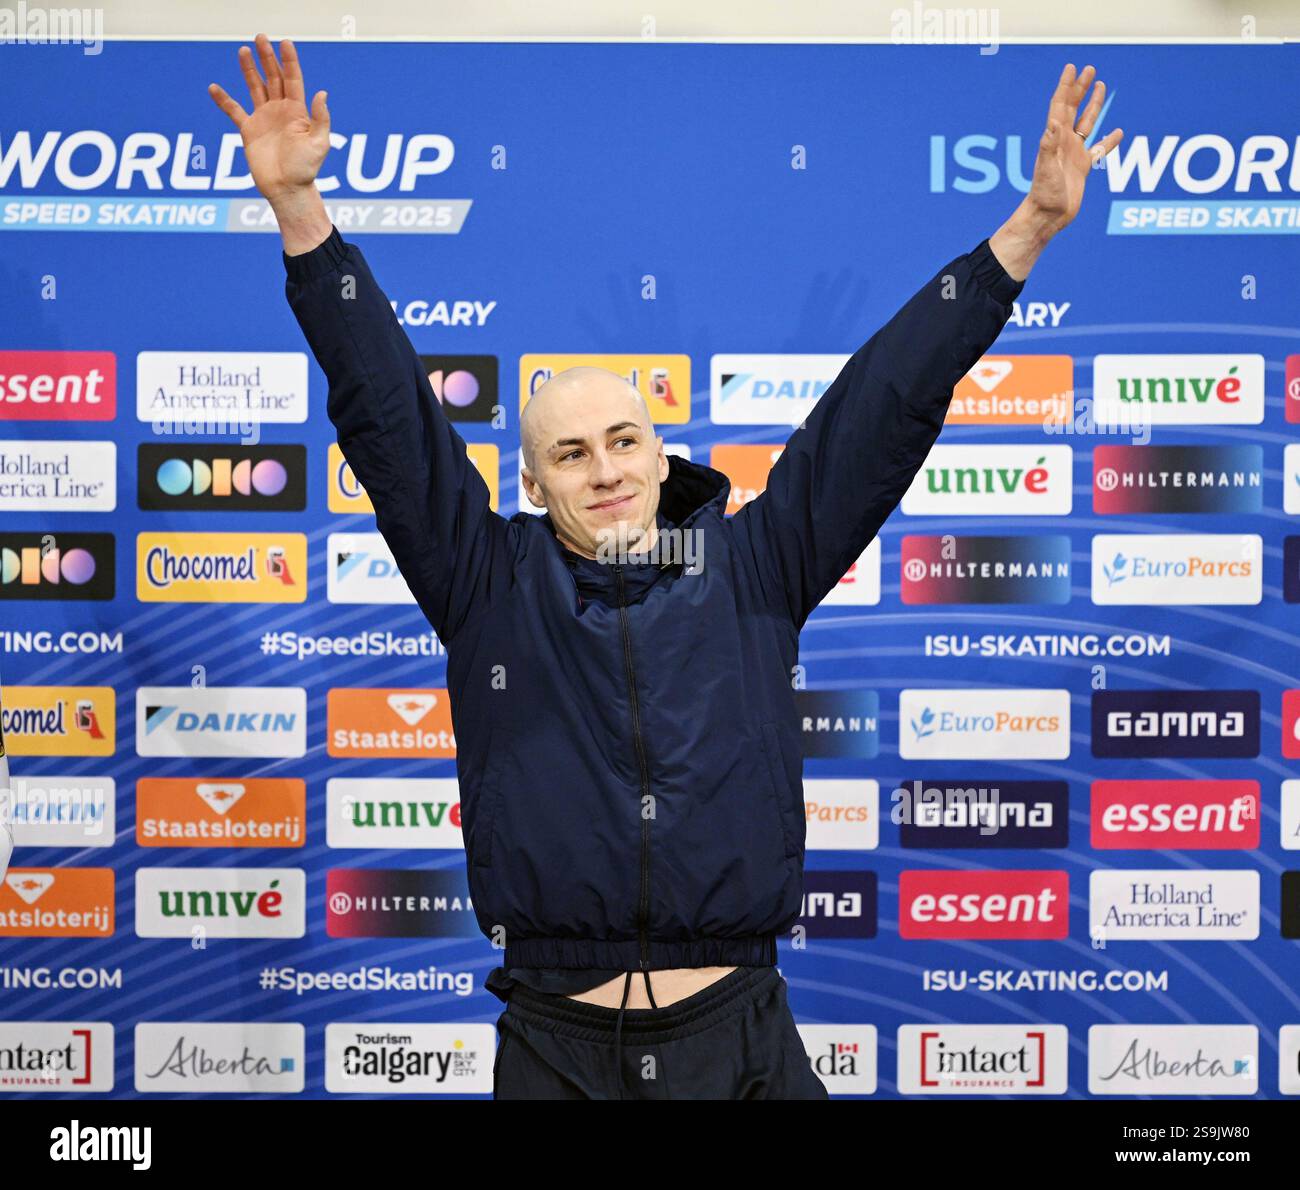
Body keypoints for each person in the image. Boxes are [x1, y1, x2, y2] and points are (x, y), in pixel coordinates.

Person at [209, 36, 1120, 1099]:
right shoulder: (486, 581)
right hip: (554, 1047)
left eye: (625, 439)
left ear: (659, 449)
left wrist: (1027, 232)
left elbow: (884, 403)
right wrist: (302, 219)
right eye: (570, 452)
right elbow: (387, 414)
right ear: (535, 480)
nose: (605, 470)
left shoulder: (754, 562)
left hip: (740, 1040)